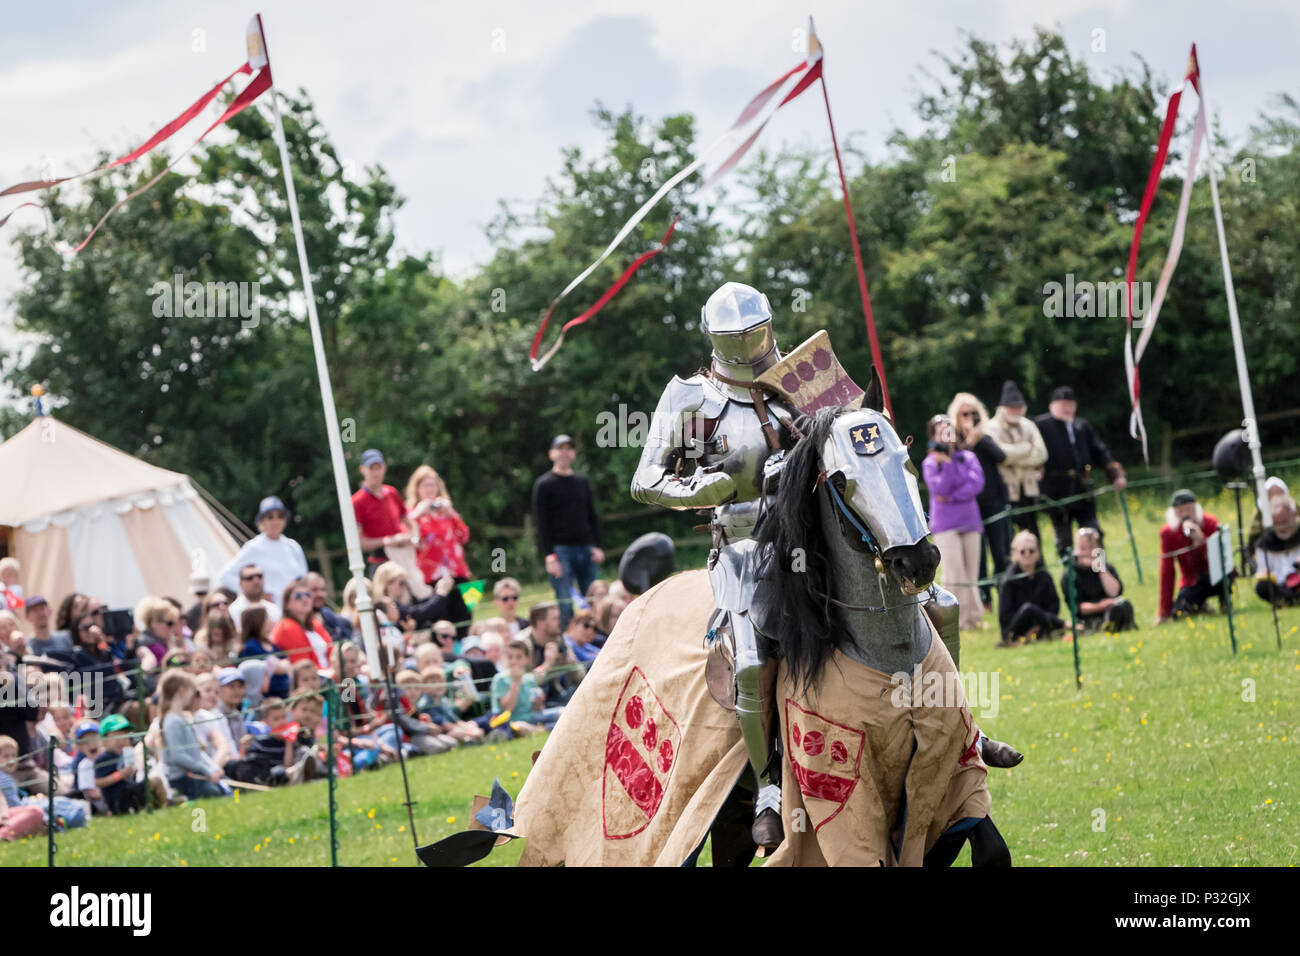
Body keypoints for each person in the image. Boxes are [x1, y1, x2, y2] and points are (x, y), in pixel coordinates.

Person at [1034, 386, 1126, 557]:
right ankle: (1072, 580)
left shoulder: (1081, 425)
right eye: (1062, 404)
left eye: (1070, 404)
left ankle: (1100, 571)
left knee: (1094, 533)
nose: (1066, 408)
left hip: (1082, 488)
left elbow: (1099, 450)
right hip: (1055, 491)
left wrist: (1115, 474)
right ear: (1052, 405)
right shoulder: (1041, 425)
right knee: (1065, 540)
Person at [923, 413, 986, 631]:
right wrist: (947, 465)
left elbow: (976, 484)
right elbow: (938, 489)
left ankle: (974, 618)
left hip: (970, 521)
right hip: (945, 525)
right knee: (953, 572)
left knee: (971, 572)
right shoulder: (931, 463)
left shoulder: (968, 457)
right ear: (934, 436)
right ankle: (955, 620)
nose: (947, 435)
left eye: (950, 430)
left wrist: (953, 496)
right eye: (942, 432)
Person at [533, 434, 604, 625]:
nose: (564, 452)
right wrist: (549, 555)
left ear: (573, 454)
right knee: (565, 603)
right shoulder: (544, 485)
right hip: (560, 551)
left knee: (594, 601)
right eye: (560, 448)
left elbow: (591, 515)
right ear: (552, 453)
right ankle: (570, 647)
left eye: (568, 448)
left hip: (586, 548)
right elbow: (541, 523)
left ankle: (597, 640)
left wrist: (597, 545)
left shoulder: (582, 482)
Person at [949, 391, 1010, 610]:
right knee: (979, 558)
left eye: (973, 413)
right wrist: (968, 443)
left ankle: (1006, 596)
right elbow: (952, 466)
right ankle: (985, 601)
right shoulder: (952, 439)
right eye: (964, 413)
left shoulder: (985, 435)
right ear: (956, 415)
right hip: (969, 506)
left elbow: (1001, 456)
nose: (969, 417)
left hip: (994, 501)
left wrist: (978, 438)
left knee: (1001, 552)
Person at [352, 448, 429, 597]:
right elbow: (359, 543)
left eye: (378, 467)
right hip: (382, 563)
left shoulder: (391, 493)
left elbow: (409, 521)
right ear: (363, 470)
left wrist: (413, 538)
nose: (375, 472)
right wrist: (388, 541)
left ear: (384, 468)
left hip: (404, 559)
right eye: (371, 468)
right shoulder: (357, 501)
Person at [984, 380, 1048, 541]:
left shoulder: (1029, 425)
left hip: (1028, 489)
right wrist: (1025, 449)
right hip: (1005, 489)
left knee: (1033, 532)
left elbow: (1041, 454)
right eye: (1013, 407)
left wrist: (1013, 458)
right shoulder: (990, 428)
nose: (1016, 411)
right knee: (1008, 535)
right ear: (1004, 408)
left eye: (1019, 407)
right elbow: (1000, 455)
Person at [219, 496, 308, 608]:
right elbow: (225, 576)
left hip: (295, 610)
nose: (275, 521)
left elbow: (304, 580)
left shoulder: (293, 546)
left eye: (280, 516)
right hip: (267, 612)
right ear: (262, 521)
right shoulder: (254, 547)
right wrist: (256, 594)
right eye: (270, 517)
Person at [1156, 489, 1227, 624]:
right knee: (1179, 612)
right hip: (1191, 581)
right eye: (1181, 511)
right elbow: (1167, 571)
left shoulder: (1210, 523)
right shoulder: (1168, 533)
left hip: (1214, 576)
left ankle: (1225, 601)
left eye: (1189, 510)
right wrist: (1164, 611)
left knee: (1226, 575)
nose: (1185, 515)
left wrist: (1202, 541)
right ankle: (1200, 605)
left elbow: (1222, 556)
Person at [159, 670, 228, 800]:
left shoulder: (181, 718)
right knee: (215, 793)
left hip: (195, 773)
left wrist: (213, 768)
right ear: (181, 691)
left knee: (228, 788)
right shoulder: (172, 721)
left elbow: (196, 751)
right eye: (192, 691)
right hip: (181, 778)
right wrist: (206, 770)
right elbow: (177, 756)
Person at [405, 465, 472, 584]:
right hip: (428, 576)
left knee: (467, 601)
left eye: (432, 485)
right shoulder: (411, 514)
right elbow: (404, 538)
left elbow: (464, 536)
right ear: (417, 489)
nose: (429, 489)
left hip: (456, 572)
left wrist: (451, 513)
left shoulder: (446, 512)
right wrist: (417, 515)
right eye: (425, 485)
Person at [1061, 527, 1134, 633]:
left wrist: (1101, 570)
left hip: (1113, 609)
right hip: (1089, 620)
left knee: (1124, 605)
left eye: (1091, 548)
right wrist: (1101, 606)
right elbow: (1078, 608)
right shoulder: (1070, 575)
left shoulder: (1107, 568)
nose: (1087, 553)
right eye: (1082, 548)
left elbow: (1115, 593)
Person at [997, 531, 1063, 646]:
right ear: (1015, 554)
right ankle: (1065, 624)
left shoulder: (1045, 576)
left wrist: (1038, 626)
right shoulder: (1009, 580)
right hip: (1015, 629)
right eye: (1022, 552)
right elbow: (1005, 618)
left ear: (1038, 553)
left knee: (1030, 609)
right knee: (1028, 608)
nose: (1027, 554)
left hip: (1042, 626)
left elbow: (1054, 607)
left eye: (1031, 551)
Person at [271, 579, 334, 672]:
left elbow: (332, 653)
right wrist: (333, 675)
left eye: (308, 595)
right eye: (298, 596)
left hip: (328, 674)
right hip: (311, 679)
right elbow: (304, 666)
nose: (304, 599)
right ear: (287, 604)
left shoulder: (314, 624)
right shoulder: (286, 628)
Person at [1254, 495, 1300, 606]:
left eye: (1284, 522)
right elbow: (1262, 571)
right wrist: (1267, 574)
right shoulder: (1263, 543)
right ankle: (1288, 600)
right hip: (1280, 586)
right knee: (1262, 586)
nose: (1281, 527)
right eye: (1277, 523)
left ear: (1294, 515)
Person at [229, 564, 283, 632]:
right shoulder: (233, 611)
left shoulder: (274, 609)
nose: (256, 581)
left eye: (259, 576)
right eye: (249, 578)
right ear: (240, 583)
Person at [307, 572, 353, 643]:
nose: (320, 594)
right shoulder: (299, 622)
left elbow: (347, 636)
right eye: (314, 590)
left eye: (322, 589)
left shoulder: (326, 613)